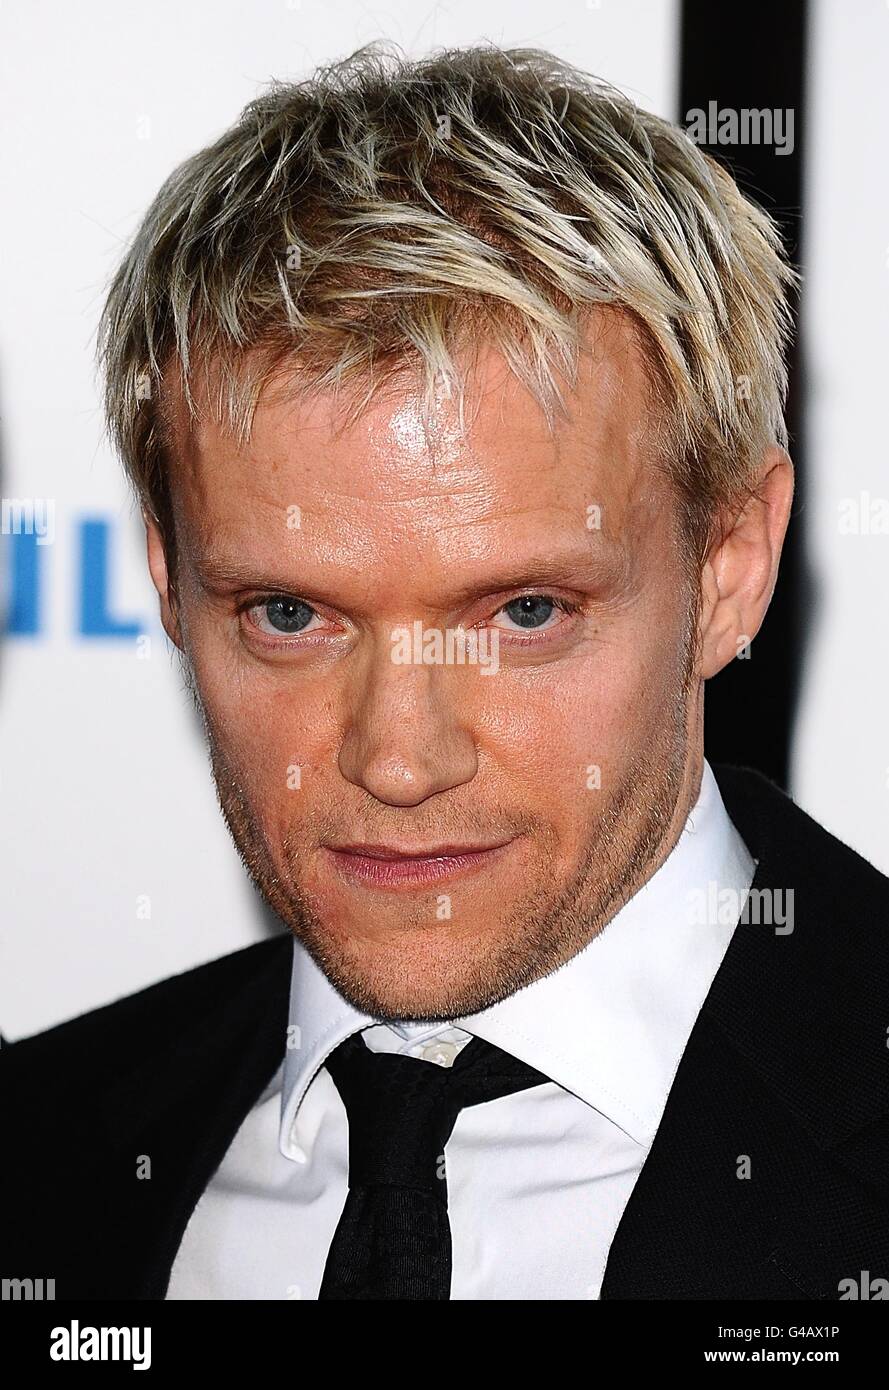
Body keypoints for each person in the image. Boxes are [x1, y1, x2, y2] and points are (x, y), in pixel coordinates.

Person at [4, 42, 887, 1301]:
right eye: (290, 613)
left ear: (730, 567)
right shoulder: (39, 1157)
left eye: (523, 611)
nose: (399, 759)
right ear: (166, 577)